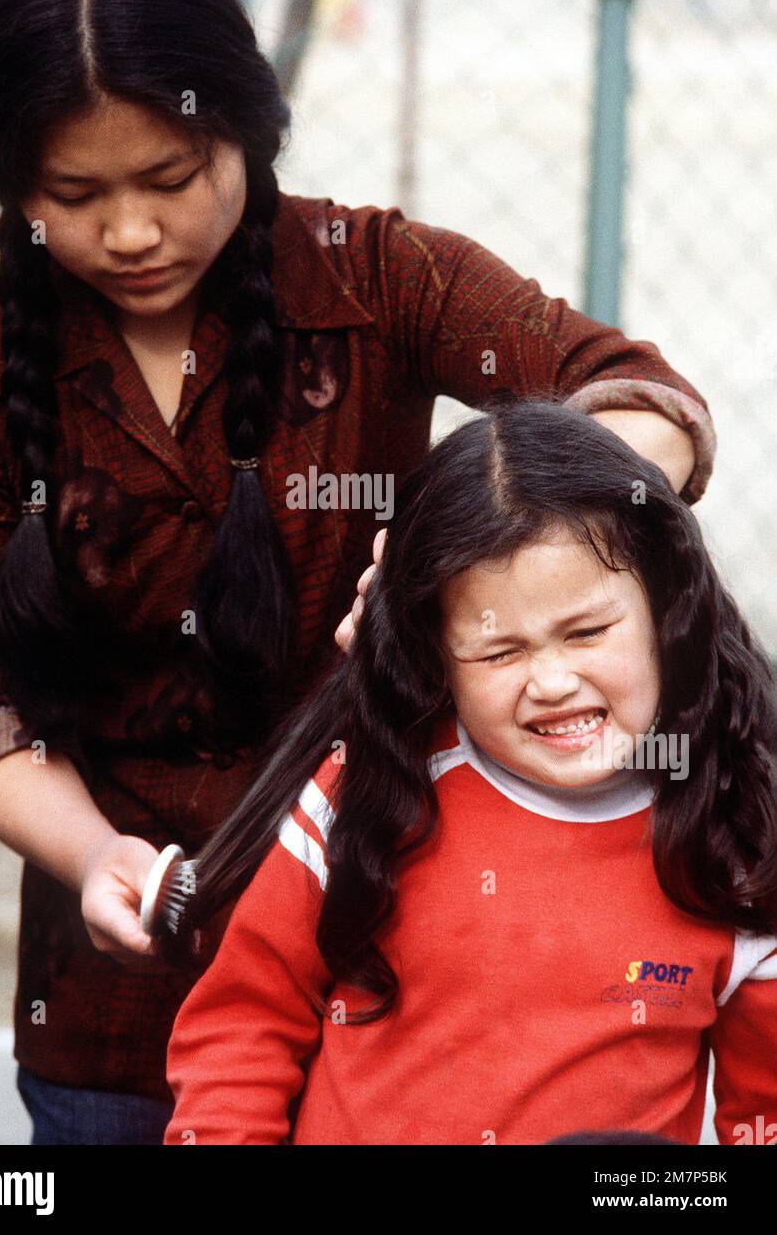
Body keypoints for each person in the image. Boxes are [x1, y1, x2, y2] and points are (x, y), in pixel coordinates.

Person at [0, 0, 715, 1146]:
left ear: (245, 130)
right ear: (14, 190)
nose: (130, 231)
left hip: (393, 969)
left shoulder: (379, 276)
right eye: (74, 194)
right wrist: (93, 854)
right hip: (110, 1004)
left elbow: (644, 399)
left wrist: (473, 532)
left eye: (171, 179)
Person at [164, 400, 777, 1146]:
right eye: (500, 651)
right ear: (433, 656)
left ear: (670, 610)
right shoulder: (371, 791)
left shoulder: (739, 837)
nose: (552, 681)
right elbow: (244, 1023)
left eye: (586, 632)